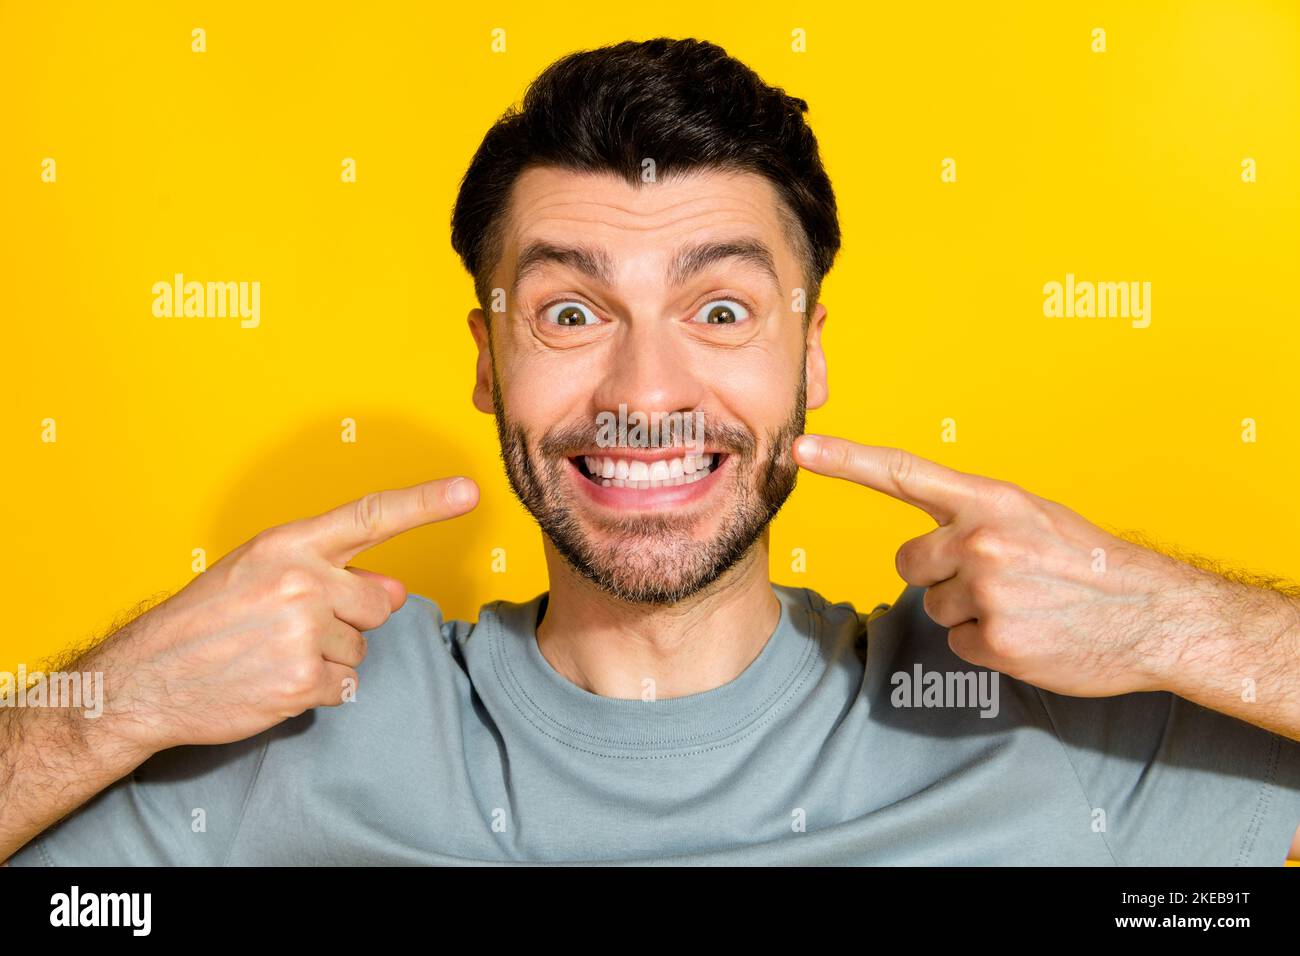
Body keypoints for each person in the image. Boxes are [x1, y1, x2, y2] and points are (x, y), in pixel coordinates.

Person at [4, 37, 1298, 866]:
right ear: (487, 357)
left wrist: (1168, 622)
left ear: (810, 355)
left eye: (720, 310)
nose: (645, 390)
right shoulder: (287, 740)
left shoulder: (1039, 725)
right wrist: (114, 703)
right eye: (570, 313)